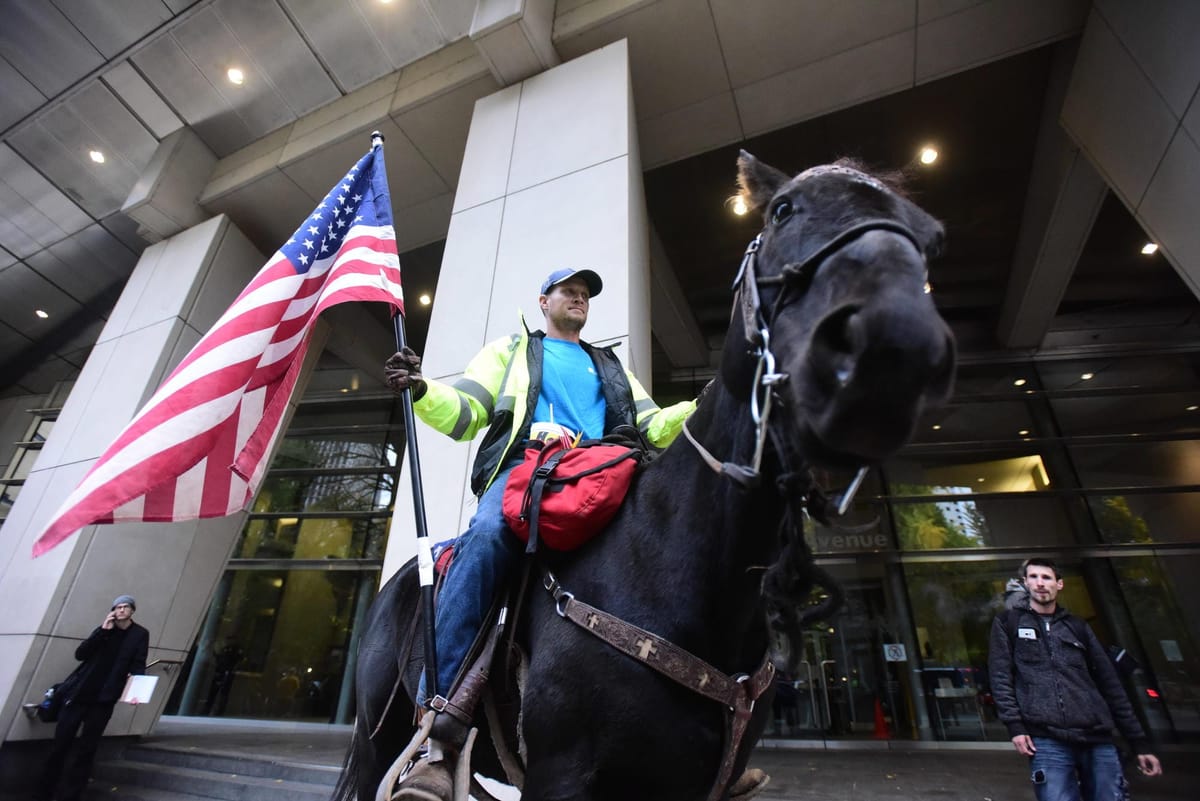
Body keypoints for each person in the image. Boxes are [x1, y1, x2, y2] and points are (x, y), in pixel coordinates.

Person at [384, 268, 696, 800]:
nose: (578, 299)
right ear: (543, 300)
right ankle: (436, 734)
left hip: (606, 472)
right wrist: (420, 389)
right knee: (484, 541)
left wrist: (701, 407)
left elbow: (651, 425)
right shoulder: (511, 350)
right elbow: (466, 412)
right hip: (527, 472)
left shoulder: (611, 364)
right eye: (568, 291)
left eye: (585, 294)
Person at [988, 558, 1162, 801]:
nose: (1040, 583)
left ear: (1059, 584)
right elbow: (1000, 677)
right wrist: (1015, 726)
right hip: (1047, 739)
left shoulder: (1077, 627)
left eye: (1047, 577)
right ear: (1025, 583)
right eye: (1034, 577)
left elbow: (1110, 685)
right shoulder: (1009, 623)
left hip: (1097, 737)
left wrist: (1139, 743)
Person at [36, 595, 150, 801]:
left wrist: (136, 693)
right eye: (118, 607)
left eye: (126, 607)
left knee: (87, 749)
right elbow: (81, 654)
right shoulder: (104, 630)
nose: (121, 610)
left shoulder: (140, 634)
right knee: (60, 744)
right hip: (79, 694)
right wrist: (102, 631)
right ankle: (44, 791)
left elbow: (138, 664)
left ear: (132, 610)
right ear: (113, 611)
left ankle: (70, 795)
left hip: (104, 699)